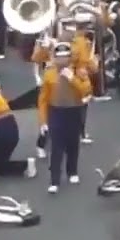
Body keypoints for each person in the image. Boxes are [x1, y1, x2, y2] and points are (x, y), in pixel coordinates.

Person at [39, 42, 92, 194]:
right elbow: (43, 100)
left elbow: (87, 91)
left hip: (74, 110)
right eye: (59, 58)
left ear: (70, 58)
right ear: (54, 58)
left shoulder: (79, 72)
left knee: (73, 143)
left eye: (65, 57)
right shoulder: (49, 74)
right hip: (55, 111)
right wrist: (43, 121)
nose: (62, 61)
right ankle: (54, 180)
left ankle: (72, 171)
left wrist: (72, 79)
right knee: (56, 146)